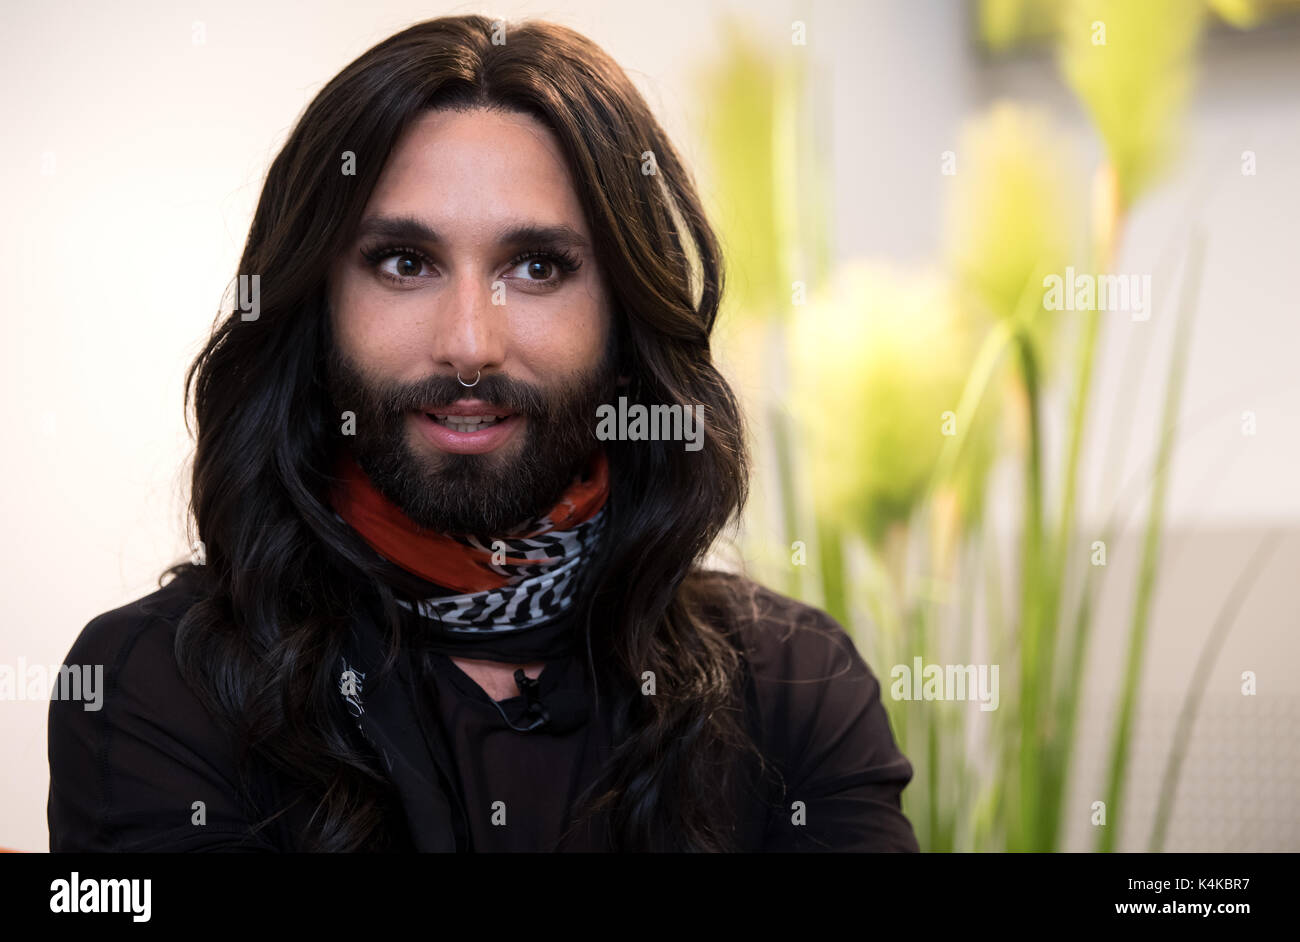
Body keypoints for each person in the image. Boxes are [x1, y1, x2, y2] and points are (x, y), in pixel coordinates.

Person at [47, 14, 919, 852]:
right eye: (405, 263)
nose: (470, 341)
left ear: (625, 327)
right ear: (318, 309)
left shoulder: (793, 683)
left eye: (537, 268)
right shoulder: (158, 686)